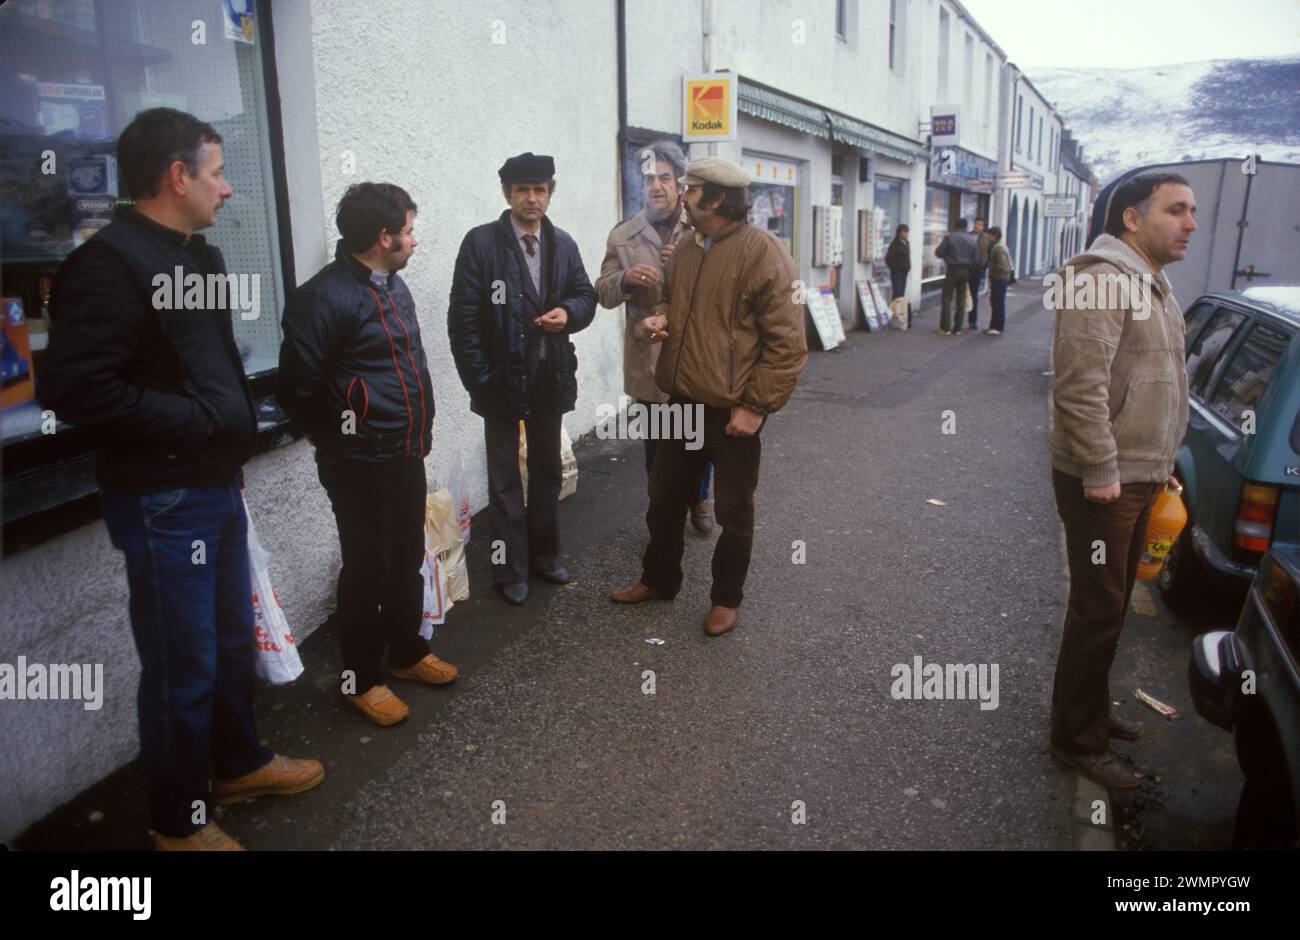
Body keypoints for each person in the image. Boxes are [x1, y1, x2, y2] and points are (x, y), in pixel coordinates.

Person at [38, 108, 323, 851]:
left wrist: (230, 423)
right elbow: (76, 388)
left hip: (215, 486)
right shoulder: (107, 264)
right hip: (164, 499)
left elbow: (204, 362)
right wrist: (197, 421)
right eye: (217, 172)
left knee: (230, 642)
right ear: (176, 176)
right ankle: (178, 821)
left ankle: (236, 764)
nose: (227, 189)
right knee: (182, 663)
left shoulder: (199, 259)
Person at [277, 182, 453, 729]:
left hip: (403, 451)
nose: (414, 241)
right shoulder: (321, 298)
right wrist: (335, 436)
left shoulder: (392, 285)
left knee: (405, 558)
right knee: (366, 568)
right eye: (407, 230)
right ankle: (360, 680)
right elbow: (297, 387)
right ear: (383, 237)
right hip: (357, 463)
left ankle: (405, 653)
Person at [610, 157, 807, 636]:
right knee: (663, 499)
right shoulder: (688, 248)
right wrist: (658, 318)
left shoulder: (765, 253)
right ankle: (658, 579)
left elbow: (788, 343)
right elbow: (670, 300)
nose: (682, 195)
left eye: (690, 189)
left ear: (716, 199)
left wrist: (756, 406)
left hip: (733, 410)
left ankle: (726, 598)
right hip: (681, 402)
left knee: (733, 510)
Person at [1048, 173, 1195, 790]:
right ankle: (1076, 740)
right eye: (1176, 210)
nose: (1189, 223)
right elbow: (1079, 387)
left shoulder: (1153, 283)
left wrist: (1158, 463)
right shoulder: (1099, 281)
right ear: (1131, 220)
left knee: (1110, 609)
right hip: (1103, 482)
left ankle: (1093, 715)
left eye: (1192, 211)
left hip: (1139, 475)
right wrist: (1103, 468)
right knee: (1098, 610)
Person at [448, 153, 597, 606]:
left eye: (539, 190)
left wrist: (568, 313)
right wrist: (482, 380)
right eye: (522, 190)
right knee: (505, 481)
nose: (531, 198)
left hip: (549, 378)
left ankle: (545, 558)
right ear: (506, 194)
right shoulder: (481, 244)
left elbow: (586, 296)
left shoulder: (563, 244)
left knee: (549, 473)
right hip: (500, 384)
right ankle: (508, 569)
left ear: (550, 192)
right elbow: (463, 320)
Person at [596, 139, 714, 533]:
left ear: (680, 185)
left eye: (664, 177)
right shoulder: (623, 235)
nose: (656, 186)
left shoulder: (702, 230)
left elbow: (720, 288)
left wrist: (685, 264)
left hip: (695, 355)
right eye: (648, 178)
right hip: (648, 359)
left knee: (696, 440)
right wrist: (626, 281)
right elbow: (604, 293)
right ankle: (663, 515)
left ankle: (698, 498)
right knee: (658, 446)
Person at [934, 217, 978, 335]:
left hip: (953, 269)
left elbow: (938, 252)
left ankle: (945, 328)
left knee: (947, 299)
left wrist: (947, 257)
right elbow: (976, 259)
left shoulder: (950, 237)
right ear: (966, 227)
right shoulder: (972, 240)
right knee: (961, 300)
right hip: (966, 271)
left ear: (956, 225)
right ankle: (958, 328)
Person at [984, 226, 1011, 335]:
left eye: (989, 235)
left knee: (998, 303)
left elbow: (1003, 266)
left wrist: (994, 275)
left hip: (999, 279)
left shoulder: (999, 248)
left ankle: (997, 327)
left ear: (994, 235)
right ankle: (993, 326)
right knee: (994, 302)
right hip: (999, 279)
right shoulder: (998, 246)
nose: (988, 237)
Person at [968, 216, 992, 330]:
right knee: (962, 294)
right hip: (966, 268)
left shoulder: (986, 238)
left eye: (980, 224)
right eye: (976, 223)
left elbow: (990, 252)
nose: (977, 226)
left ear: (983, 226)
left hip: (977, 269)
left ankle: (972, 321)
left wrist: (985, 265)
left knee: (973, 295)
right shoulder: (969, 235)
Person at [885, 224, 910, 302]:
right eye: (904, 232)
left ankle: (900, 312)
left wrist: (908, 267)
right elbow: (888, 259)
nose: (906, 234)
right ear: (899, 233)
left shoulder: (906, 243)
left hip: (904, 272)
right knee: (896, 294)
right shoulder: (895, 244)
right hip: (897, 273)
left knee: (901, 294)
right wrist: (896, 269)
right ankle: (894, 312)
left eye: (907, 232)